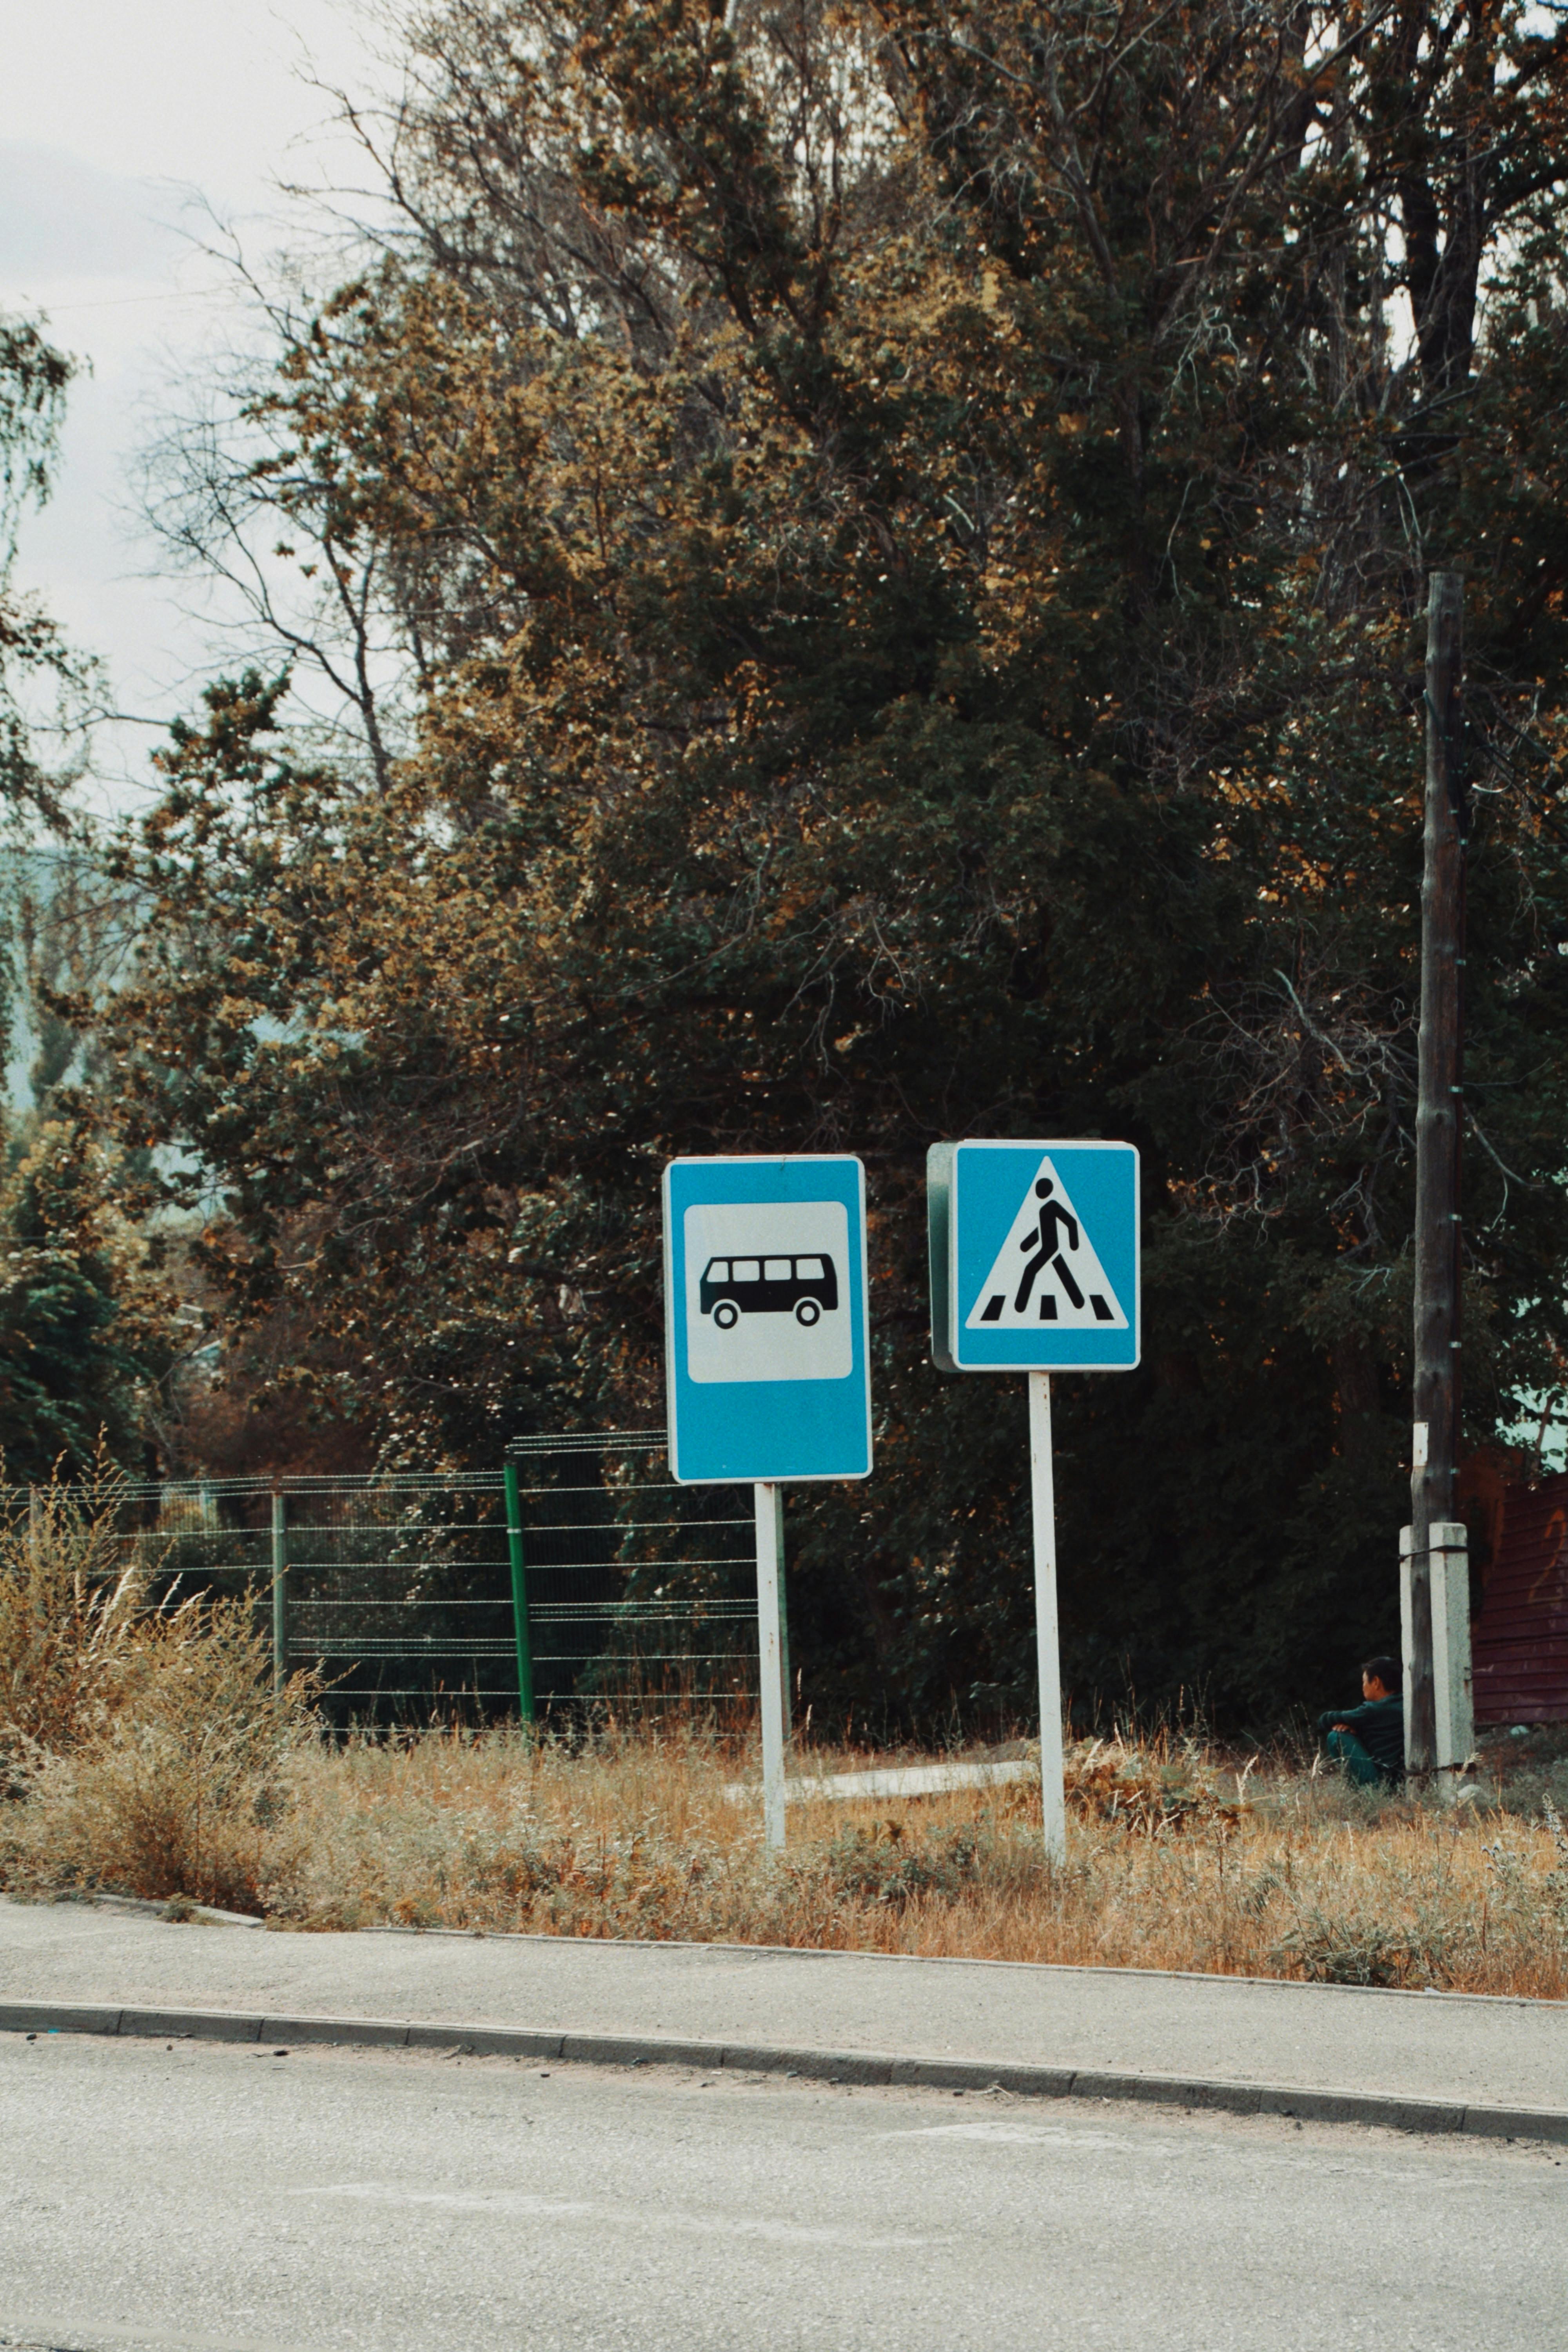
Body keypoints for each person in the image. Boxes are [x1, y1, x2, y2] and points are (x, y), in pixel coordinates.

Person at [1318, 1657, 1404, 1787]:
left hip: (1382, 1784)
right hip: (1403, 1781)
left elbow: (1325, 1720)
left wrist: (1352, 1726)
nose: (1363, 1687)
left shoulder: (1371, 1710)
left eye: (1364, 1682)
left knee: (1337, 1736)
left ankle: (1363, 1793)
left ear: (1376, 1682)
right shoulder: (1406, 1704)